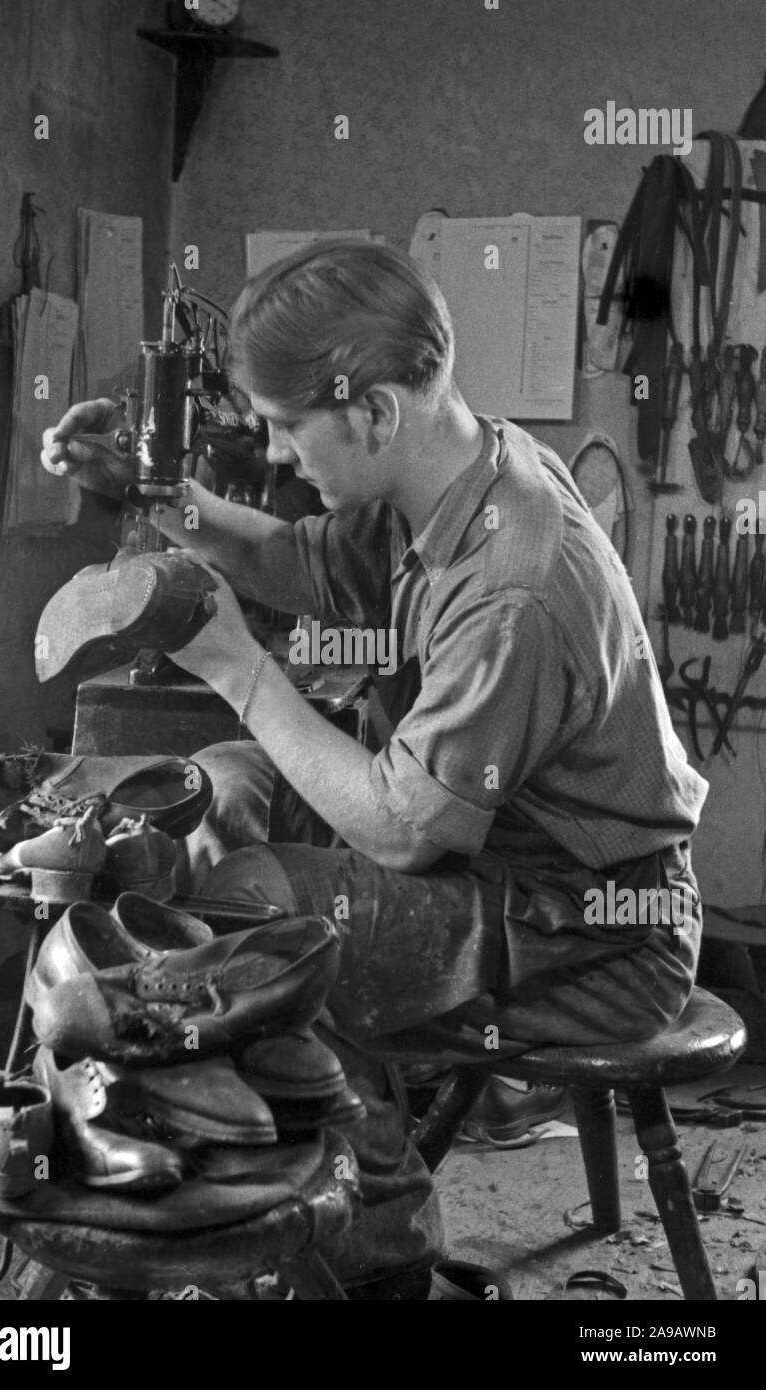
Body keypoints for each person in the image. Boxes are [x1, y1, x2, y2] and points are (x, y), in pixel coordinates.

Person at [41, 240, 708, 1298]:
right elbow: (295, 562)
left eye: (284, 424)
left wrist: (242, 670)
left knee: (269, 931)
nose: (268, 446)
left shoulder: (516, 585)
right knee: (223, 782)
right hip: (502, 870)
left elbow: (401, 830)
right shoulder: (448, 479)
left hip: (595, 930)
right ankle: (291, 1152)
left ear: (375, 413)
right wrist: (156, 492)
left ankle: (380, 1258)